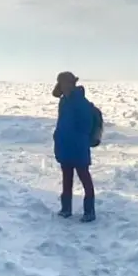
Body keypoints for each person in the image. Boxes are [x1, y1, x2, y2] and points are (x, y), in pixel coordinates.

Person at [52, 71, 102, 222]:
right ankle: (66, 209)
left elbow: (85, 126)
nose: (65, 86)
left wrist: (76, 137)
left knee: (84, 178)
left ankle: (90, 211)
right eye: (62, 84)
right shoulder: (63, 101)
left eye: (67, 83)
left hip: (78, 146)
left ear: (72, 84)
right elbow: (62, 123)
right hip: (66, 146)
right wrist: (58, 137)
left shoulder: (81, 102)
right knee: (67, 179)